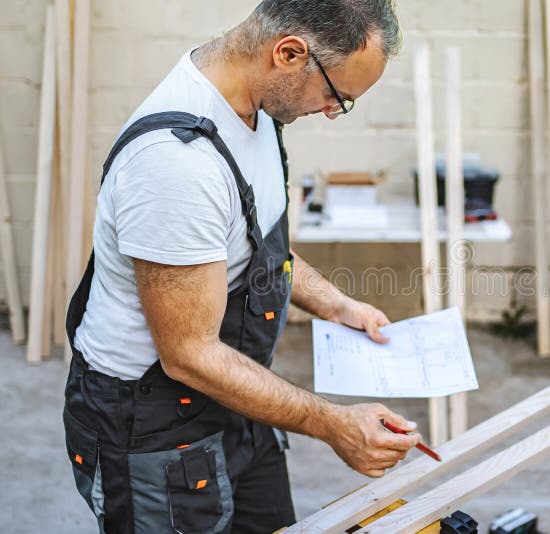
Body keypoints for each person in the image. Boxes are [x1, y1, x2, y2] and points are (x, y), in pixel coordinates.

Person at [62, 1, 419, 532]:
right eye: (337, 96)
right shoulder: (177, 164)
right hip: (154, 425)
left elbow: (259, 251)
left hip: (231, 396)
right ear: (290, 53)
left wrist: (338, 305)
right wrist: (336, 424)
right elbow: (188, 355)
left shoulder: (255, 109)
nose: (330, 110)